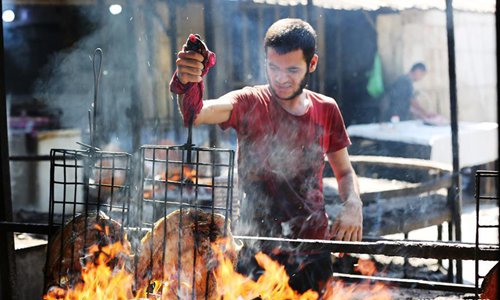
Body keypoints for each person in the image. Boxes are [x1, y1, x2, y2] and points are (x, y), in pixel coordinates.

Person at [170, 18, 362, 293]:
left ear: (312, 64)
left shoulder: (326, 108)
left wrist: (354, 203)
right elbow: (197, 114)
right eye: (273, 67)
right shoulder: (249, 101)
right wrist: (187, 83)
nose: (281, 78)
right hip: (257, 254)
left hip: (314, 253)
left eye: (292, 70)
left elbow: (344, 172)